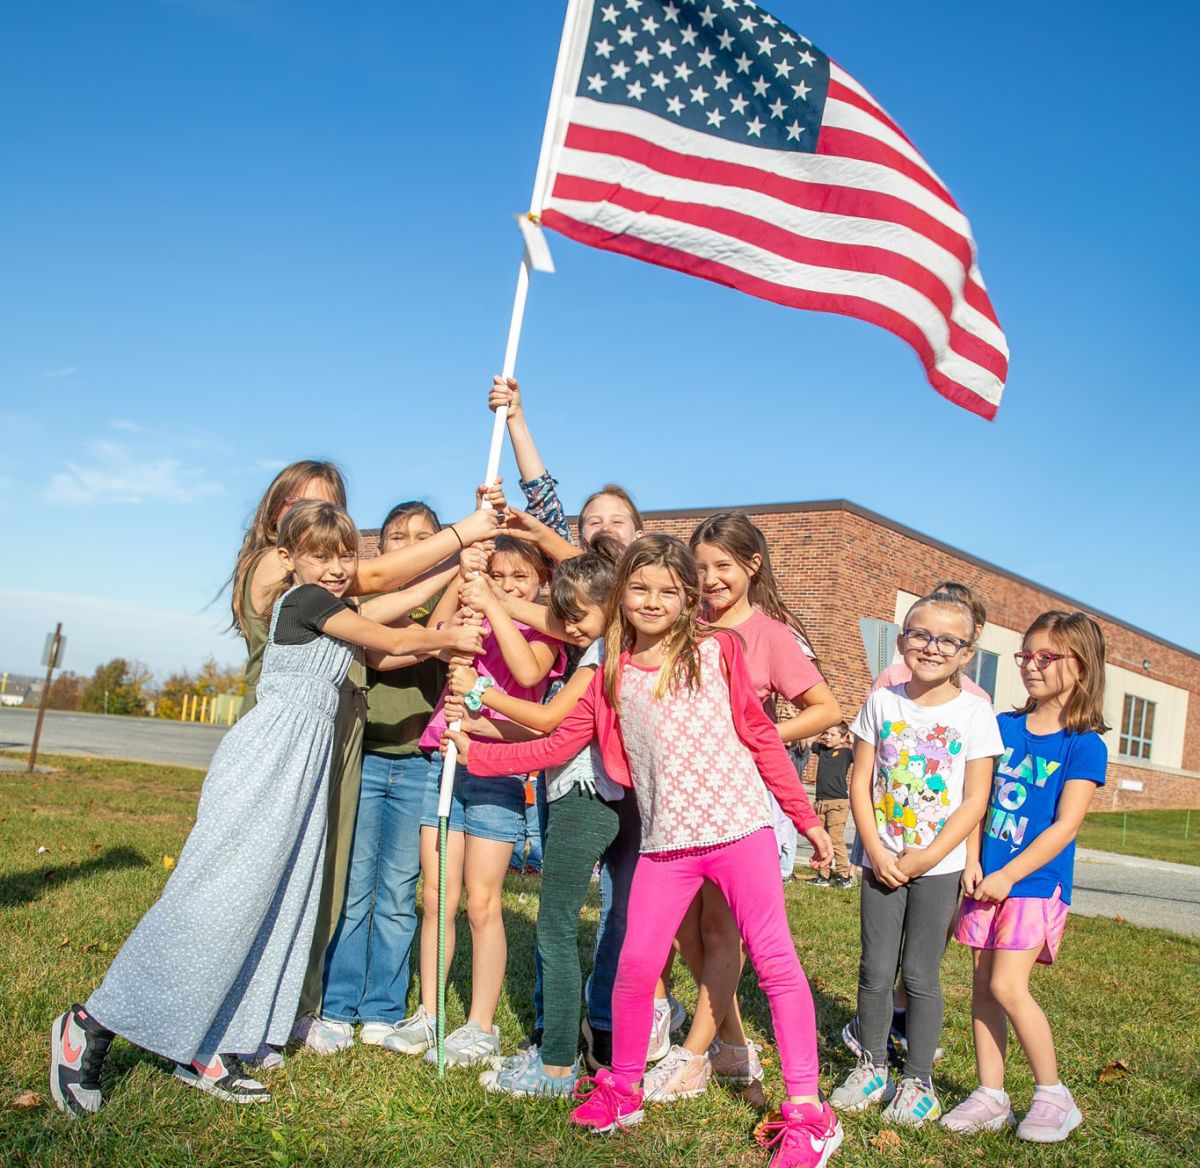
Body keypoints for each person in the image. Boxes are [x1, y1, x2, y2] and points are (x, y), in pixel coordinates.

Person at [50, 501, 484, 1117]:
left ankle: (214, 1044)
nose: (335, 569)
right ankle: (90, 1025)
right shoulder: (305, 603)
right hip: (267, 764)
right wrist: (448, 636)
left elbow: (384, 653)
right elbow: (391, 637)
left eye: (344, 557)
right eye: (319, 556)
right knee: (216, 897)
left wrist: (455, 571)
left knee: (274, 902)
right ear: (289, 558)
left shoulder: (337, 611)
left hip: (303, 771)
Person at [447, 535, 843, 1168]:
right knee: (635, 967)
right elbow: (558, 744)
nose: (652, 600)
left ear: (688, 596)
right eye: (639, 588)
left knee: (773, 962)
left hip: (741, 833)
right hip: (666, 846)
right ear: (621, 593)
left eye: (667, 589)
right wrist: (479, 753)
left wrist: (806, 818)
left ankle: (807, 1114)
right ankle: (623, 1089)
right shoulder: (611, 667)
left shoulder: (720, 651)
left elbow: (762, 737)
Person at [228, 465, 504, 1056]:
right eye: (302, 505)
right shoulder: (276, 568)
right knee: (274, 875)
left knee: (318, 877)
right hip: (286, 740)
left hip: (331, 736)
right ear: (277, 515)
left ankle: (292, 1005)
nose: (314, 521)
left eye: (331, 509)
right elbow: (380, 589)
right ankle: (259, 1003)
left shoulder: (322, 583)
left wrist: (460, 566)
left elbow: (381, 610)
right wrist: (465, 532)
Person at [487, 374, 666, 1071]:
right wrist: (518, 419)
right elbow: (544, 503)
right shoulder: (584, 605)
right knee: (562, 909)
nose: (599, 527)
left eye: (615, 520)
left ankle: (603, 1025)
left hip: (620, 778)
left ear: (642, 537)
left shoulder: (651, 597)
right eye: (590, 522)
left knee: (618, 910)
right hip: (573, 769)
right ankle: (557, 1030)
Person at [643, 512, 842, 1104]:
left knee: (720, 929)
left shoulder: (770, 635)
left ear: (751, 565)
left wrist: (752, 734)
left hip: (743, 804)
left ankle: (694, 1056)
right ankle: (732, 1045)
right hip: (680, 804)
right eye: (699, 568)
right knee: (687, 936)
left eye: (722, 566)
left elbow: (826, 708)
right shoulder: (685, 626)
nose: (709, 579)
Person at [449, 539, 640, 1099]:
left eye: (578, 617)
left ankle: (556, 1066)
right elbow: (552, 737)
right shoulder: (597, 652)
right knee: (570, 931)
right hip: (588, 797)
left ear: (611, 606)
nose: (568, 627)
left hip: (585, 802)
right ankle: (568, 1050)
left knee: (555, 931)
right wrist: (482, 732)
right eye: (566, 617)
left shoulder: (601, 660)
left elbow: (554, 732)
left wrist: (483, 695)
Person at [386, 535, 566, 1067]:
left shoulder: (545, 635)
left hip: (495, 775)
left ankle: (480, 1025)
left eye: (521, 578)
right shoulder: (470, 621)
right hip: (443, 766)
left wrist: (495, 606)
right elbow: (432, 635)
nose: (508, 585)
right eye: (498, 575)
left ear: (541, 584)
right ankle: (428, 1011)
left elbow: (527, 677)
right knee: (438, 896)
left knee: (483, 902)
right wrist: (460, 576)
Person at [830, 591, 1002, 1129]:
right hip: (881, 862)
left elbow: (976, 799)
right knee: (875, 969)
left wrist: (929, 856)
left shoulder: (976, 713)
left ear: (967, 652)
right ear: (902, 638)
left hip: (938, 868)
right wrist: (876, 850)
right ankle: (873, 1066)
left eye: (948, 639)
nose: (932, 647)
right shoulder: (882, 702)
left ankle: (917, 1079)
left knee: (921, 974)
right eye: (920, 634)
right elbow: (860, 780)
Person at [941, 611, 1109, 1143]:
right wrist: (973, 862)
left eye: (1045, 657)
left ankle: (1054, 1095)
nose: (1030, 667)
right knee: (981, 989)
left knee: (1008, 985)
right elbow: (978, 802)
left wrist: (1009, 875)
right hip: (983, 879)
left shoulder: (1084, 744)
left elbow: (1066, 826)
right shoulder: (1001, 727)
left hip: (1032, 885)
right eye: (1025, 656)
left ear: (1079, 667)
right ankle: (990, 1096)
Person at [316, 501, 459, 1051]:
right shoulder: (360, 605)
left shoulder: (440, 609)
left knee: (398, 891)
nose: (409, 542)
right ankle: (336, 1002)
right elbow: (380, 653)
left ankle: (381, 1005)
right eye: (399, 536)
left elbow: (443, 632)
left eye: (424, 536)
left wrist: (458, 570)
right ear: (381, 550)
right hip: (364, 760)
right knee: (352, 888)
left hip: (419, 765)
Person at [810, 723, 855, 888]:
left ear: (843, 738)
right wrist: (822, 728)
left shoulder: (847, 753)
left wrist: (851, 739)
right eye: (826, 734)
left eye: (832, 734)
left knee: (835, 839)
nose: (828, 737)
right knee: (820, 840)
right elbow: (809, 743)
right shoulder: (822, 749)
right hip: (820, 803)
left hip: (838, 803)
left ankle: (844, 876)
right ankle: (823, 875)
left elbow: (861, 751)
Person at [509, 775, 544, 874]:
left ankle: (534, 866)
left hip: (533, 781)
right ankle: (514, 864)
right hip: (519, 780)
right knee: (519, 827)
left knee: (534, 830)